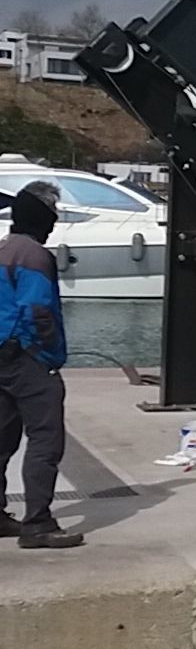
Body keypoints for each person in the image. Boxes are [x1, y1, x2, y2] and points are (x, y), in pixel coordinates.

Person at [0, 181, 84, 549]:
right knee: (45, 440)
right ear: (43, 218)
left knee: (2, 441)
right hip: (29, 359)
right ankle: (38, 523)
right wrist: (50, 356)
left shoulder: (3, 249)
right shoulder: (34, 255)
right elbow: (38, 311)